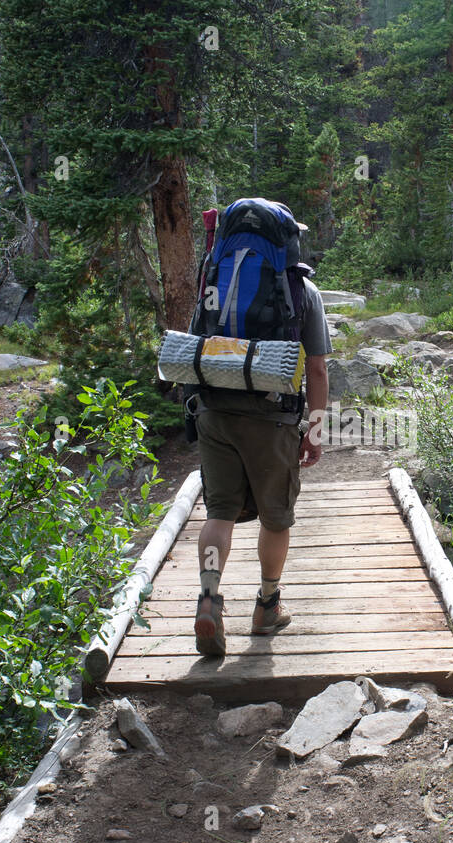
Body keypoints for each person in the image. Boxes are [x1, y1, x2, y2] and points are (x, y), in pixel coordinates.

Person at [191, 209, 331, 657]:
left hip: (213, 409)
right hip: (272, 418)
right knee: (276, 517)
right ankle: (267, 606)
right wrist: (315, 429)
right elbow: (317, 368)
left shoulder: (211, 280)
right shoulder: (301, 289)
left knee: (220, 511)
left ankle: (210, 597)